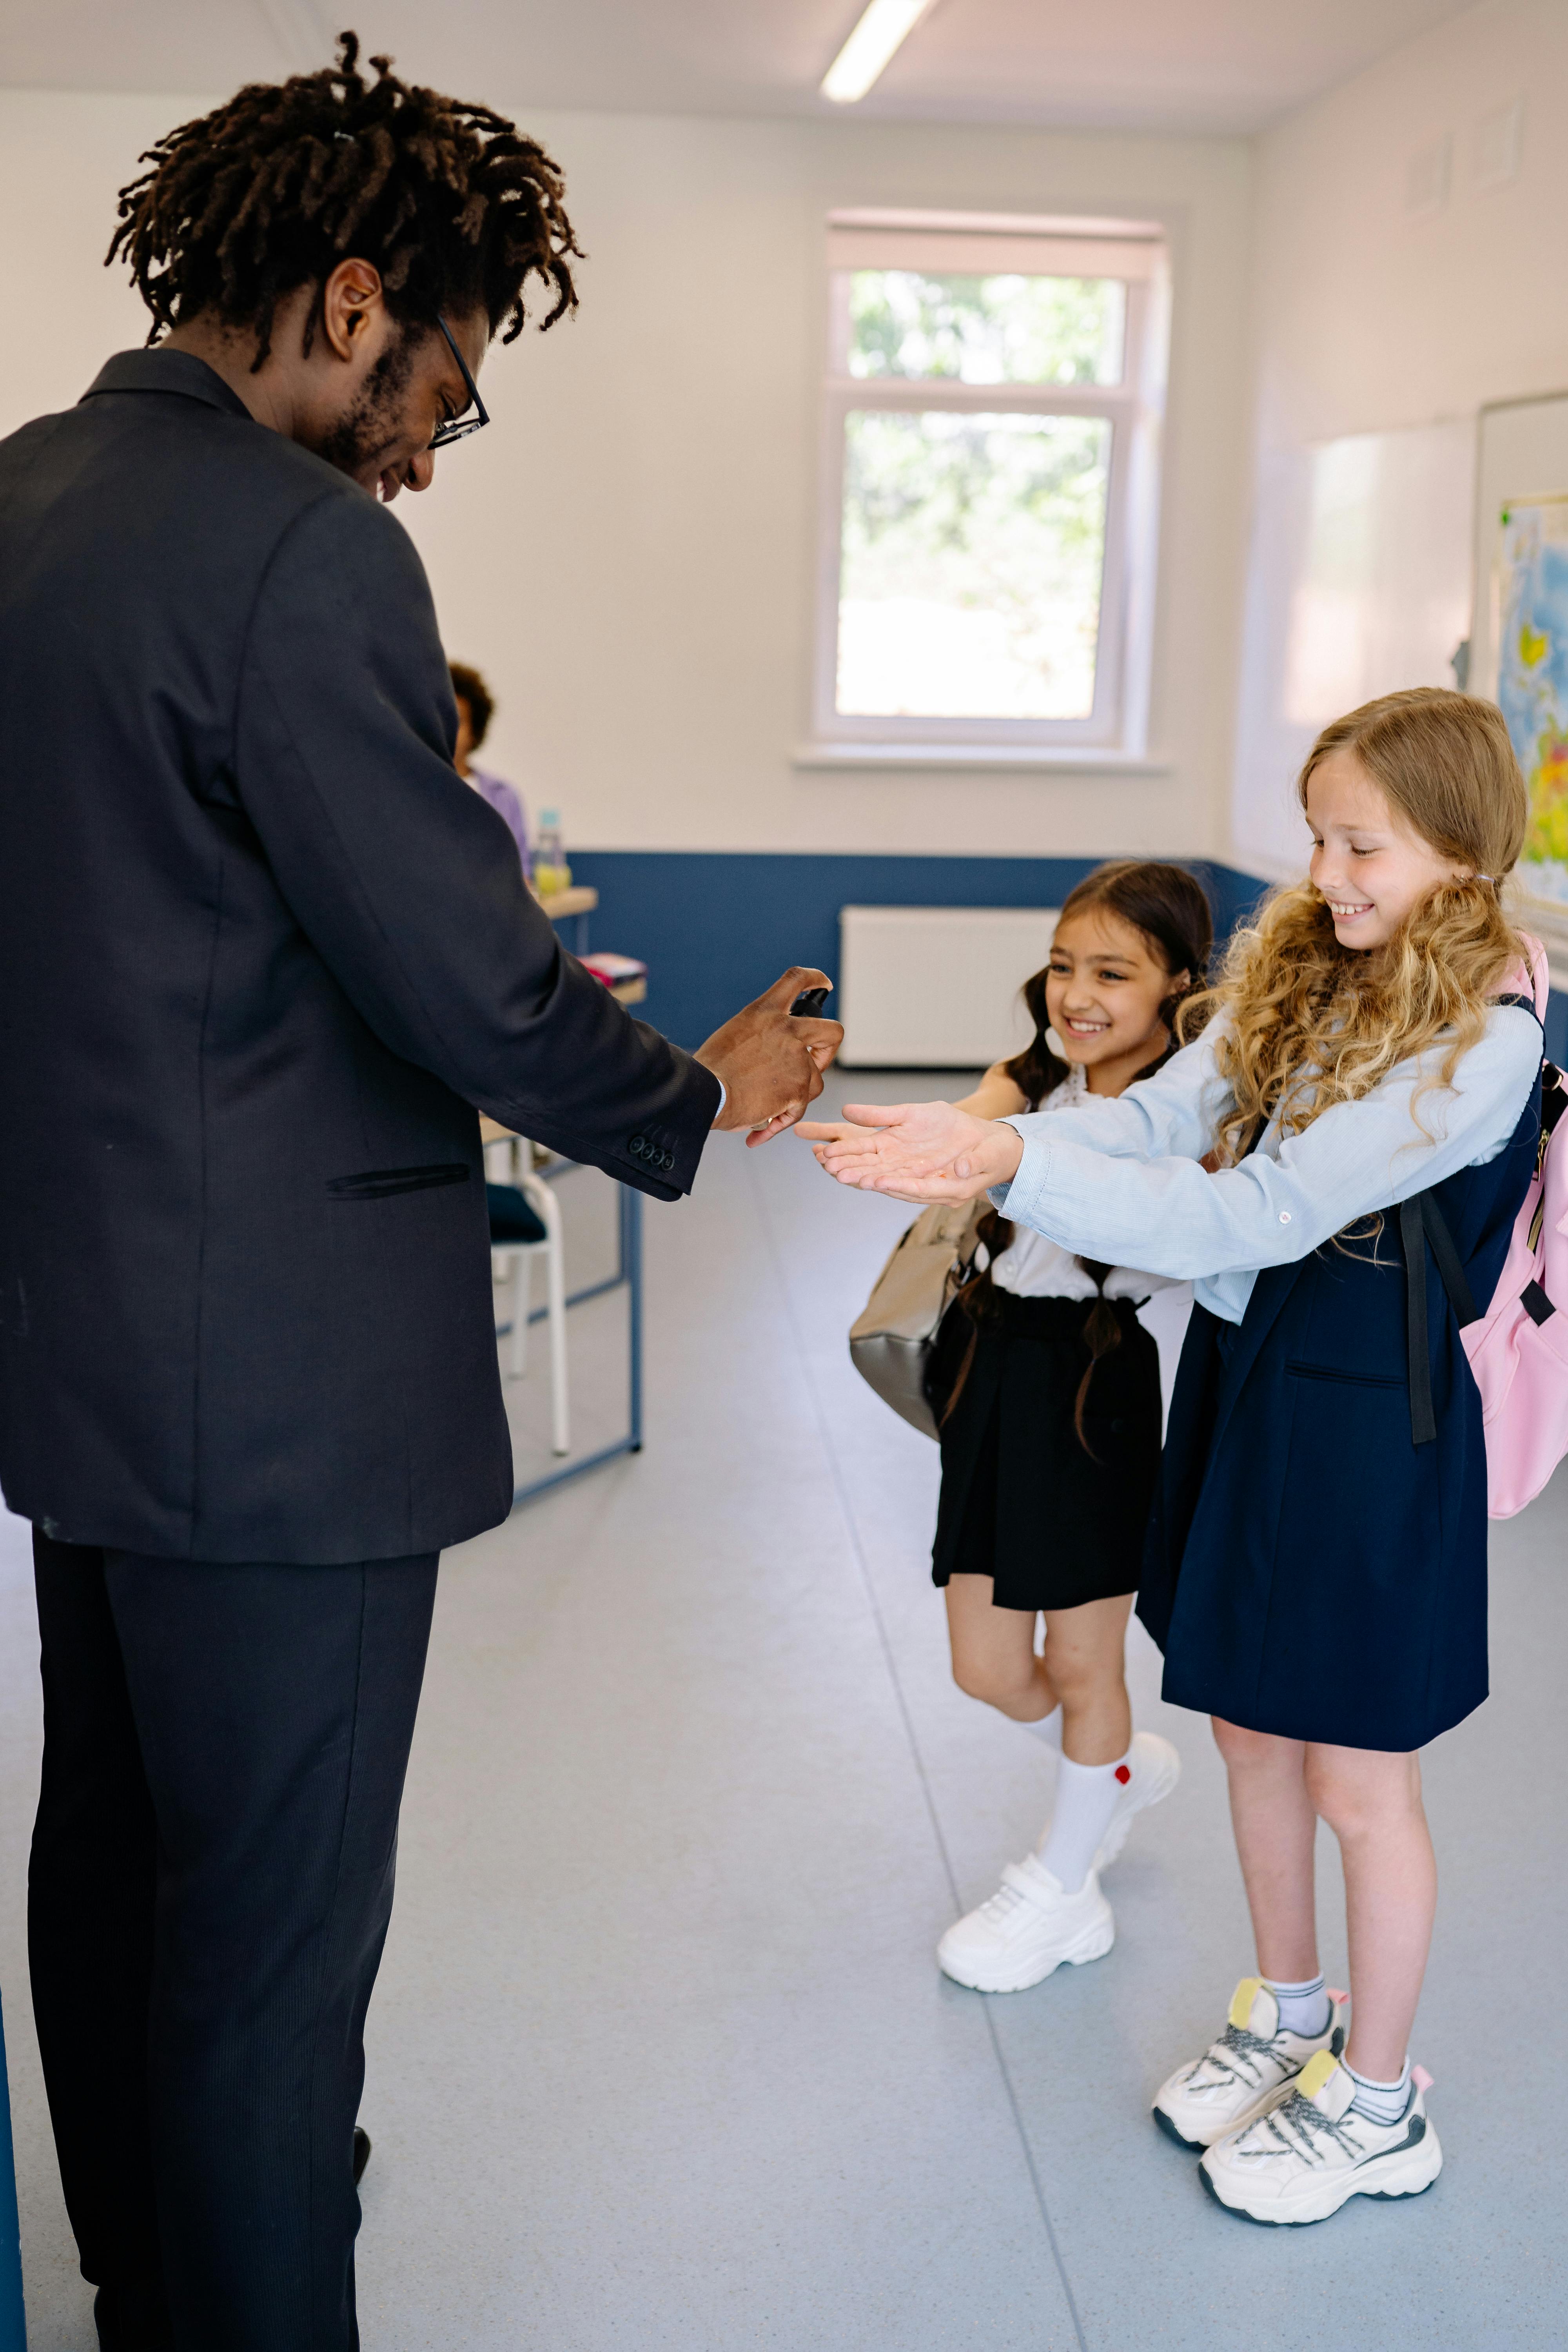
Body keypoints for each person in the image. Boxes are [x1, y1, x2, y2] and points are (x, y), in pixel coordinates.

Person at [0, 35, 840, 2348]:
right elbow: (462, 976)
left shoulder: (20, 500)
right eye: (445, 392)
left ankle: (144, 2290)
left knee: (114, 1872)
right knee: (269, 1970)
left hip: (76, 1354)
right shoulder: (298, 557)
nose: (427, 447)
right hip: (279, 1404)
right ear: (355, 299)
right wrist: (701, 1088)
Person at [803, 688, 1539, 2227]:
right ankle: (1285, 2011)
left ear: (1463, 859)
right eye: (1317, 837)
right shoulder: (1309, 971)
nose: (1327, 874)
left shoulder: (1481, 1036)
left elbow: (1253, 1211)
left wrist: (1008, 1160)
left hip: (1369, 1427)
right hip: (1255, 1381)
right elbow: (1167, 1129)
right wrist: (992, 1136)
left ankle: (1383, 2103)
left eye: (1364, 847)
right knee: (1252, 1737)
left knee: (1356, 1777)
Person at [927, 863, 1209, 1996]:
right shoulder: (1036, 1072)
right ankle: (1121, 1774)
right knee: (986, 1664)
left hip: (1094, 1387)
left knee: (1087, 1662)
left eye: (1113, 972)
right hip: (990, 1367)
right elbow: (951, 1135)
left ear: (1177, 986)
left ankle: (1068, 1886)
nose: (1077, 994)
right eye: (1062, 964)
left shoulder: (1191, 1113)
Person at [449, 660, 531, 878]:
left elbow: (521, 873)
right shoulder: (411, 792)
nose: (447, 729)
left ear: (475, 731)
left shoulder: (504, 796)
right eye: (441, 718)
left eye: (458, 721)